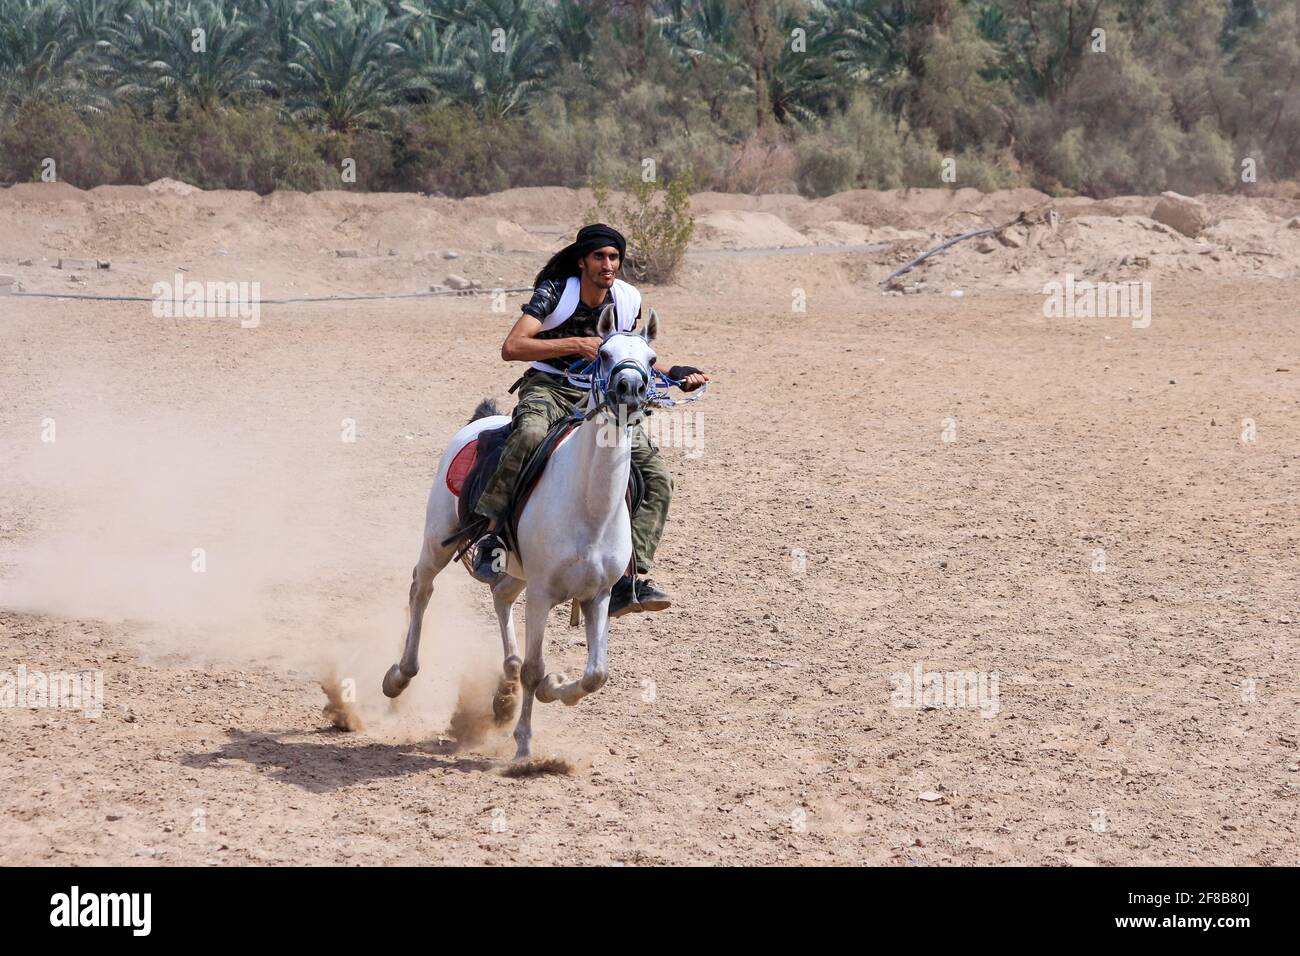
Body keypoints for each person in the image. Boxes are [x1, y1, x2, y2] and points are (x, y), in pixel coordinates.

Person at [469, 223, 708, 617]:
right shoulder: (554, 294)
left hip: (600, 398)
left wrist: (675, 371)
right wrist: (574, 344)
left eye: (614, 257)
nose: (608, 264)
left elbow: (628, 352)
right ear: (582, 260)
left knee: (657, 478)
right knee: (528, 434)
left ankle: (628, 577)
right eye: (599, 257)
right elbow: (512, 347)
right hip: (549, 386)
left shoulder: (628, 299)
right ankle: (493, 536)